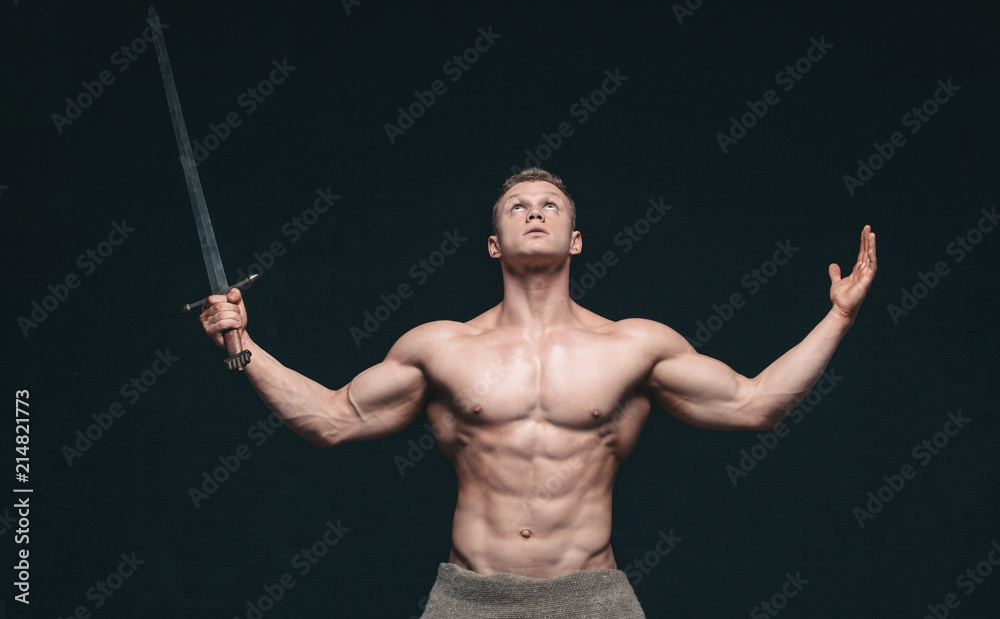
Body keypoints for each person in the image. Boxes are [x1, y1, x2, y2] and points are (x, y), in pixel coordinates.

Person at [199, 168, 877, 618]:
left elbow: (755, 403)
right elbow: (331, 418)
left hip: (591, 595)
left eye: (550, 205)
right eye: (517, 206)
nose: (534, 212)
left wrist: (839, 315)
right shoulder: (441, 346)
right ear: (493, 244)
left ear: (576, 239)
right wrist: (243, 347)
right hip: (471, 597)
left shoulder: (633, 345)